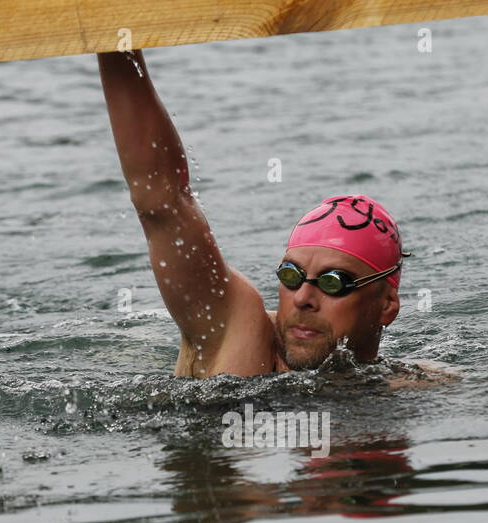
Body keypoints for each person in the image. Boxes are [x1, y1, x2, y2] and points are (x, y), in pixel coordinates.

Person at [98, 49, 421, 381]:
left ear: (387, 305)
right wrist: (116, 42)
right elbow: (161, 202)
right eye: (291, 276)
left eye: (333, 282)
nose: (303, 298)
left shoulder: (414, 386)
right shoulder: (239, 330)